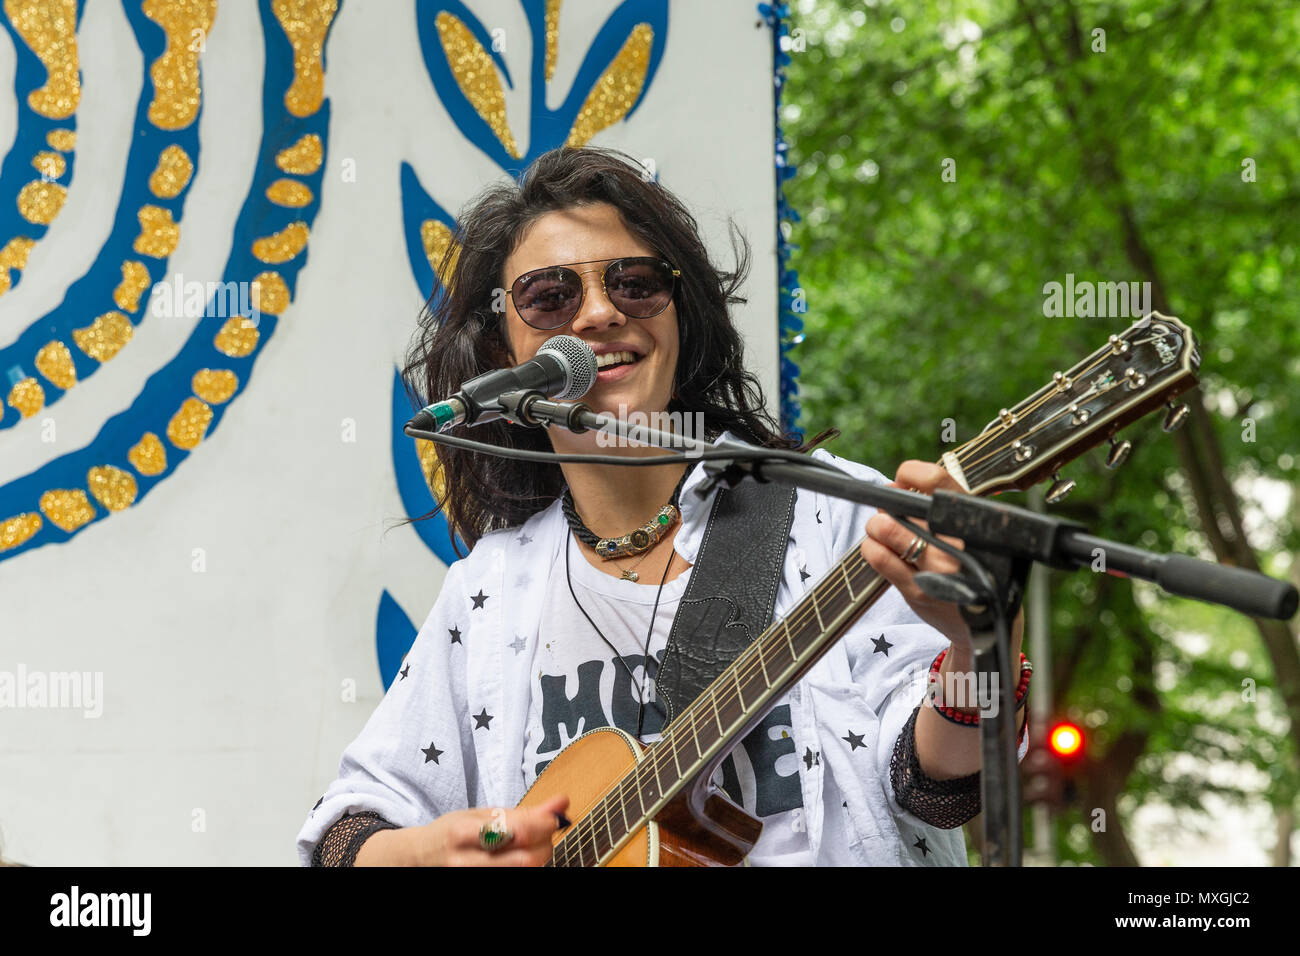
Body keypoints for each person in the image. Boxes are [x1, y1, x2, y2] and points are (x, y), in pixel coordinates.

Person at [296, 145, 1028, 867]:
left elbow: (936, 791)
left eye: (635, 283)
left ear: (679, 315)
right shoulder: (491, 592)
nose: (598, 313)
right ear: (501, 353)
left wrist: (974, 644)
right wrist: (421, 856)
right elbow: (347, 828)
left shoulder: (828, 513)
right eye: (550, 296)